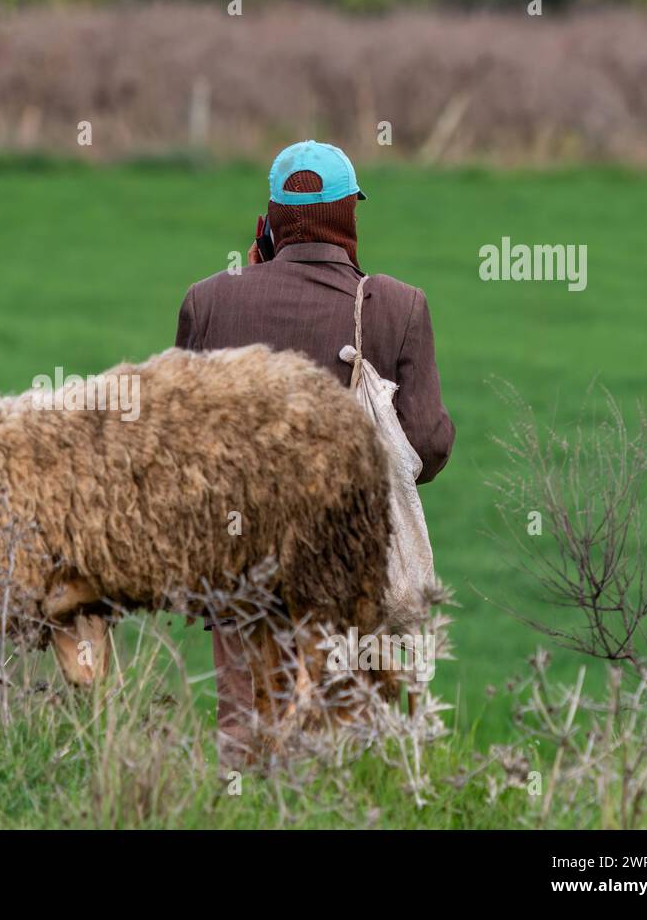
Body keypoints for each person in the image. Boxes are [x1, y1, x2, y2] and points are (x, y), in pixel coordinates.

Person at [173, 140, 455, 767]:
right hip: (348, 565)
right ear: (348, 216)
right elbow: (428, 444)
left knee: (247, 727)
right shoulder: (396, 306)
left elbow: (181, 444)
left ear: (269, 222)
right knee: (345, 733)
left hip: (237, 566)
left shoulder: (208, 300)